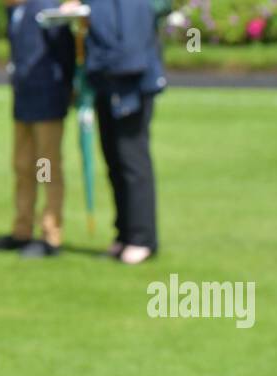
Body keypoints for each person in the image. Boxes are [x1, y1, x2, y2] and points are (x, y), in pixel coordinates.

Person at [62, 0, 165, 264]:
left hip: (128, 83)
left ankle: (142, 238)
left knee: (132, 161)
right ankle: (124, 233)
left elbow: (132, 46)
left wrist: (109, 71)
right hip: (107, 82)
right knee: (114, 160)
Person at [0, 0, 75, 258]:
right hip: (23, 99)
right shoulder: (14, 11)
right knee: (22, 166)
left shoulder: (46, 9)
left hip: (47, 100)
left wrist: (65, 92)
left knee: (46, 168)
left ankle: (50, 235)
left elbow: (65, 55)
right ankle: (22, 230)